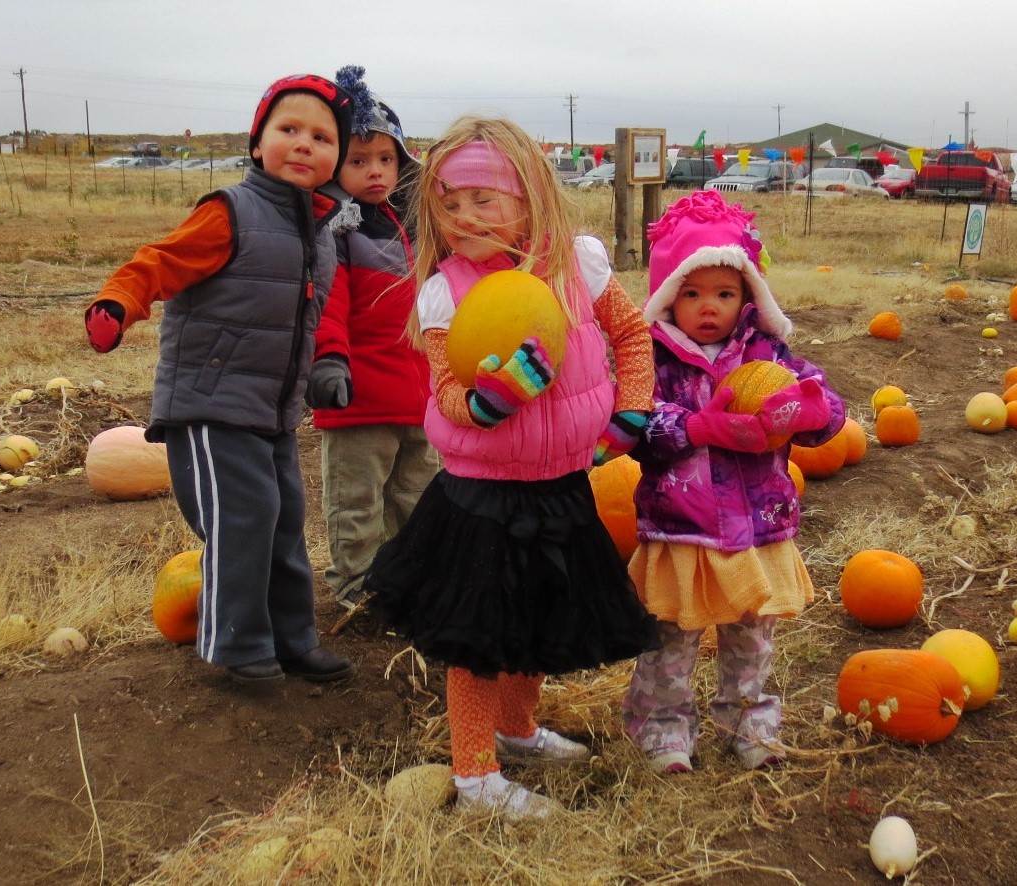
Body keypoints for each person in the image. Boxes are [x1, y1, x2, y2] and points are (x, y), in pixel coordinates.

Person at [364, 116, 660, 821]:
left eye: (481, 200)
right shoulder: (446, 293)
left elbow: (630, 333)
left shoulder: (577, 267)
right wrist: (487, 404)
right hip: (482, 498)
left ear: (528, 197)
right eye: (448, 202)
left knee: (532, 618)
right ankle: (475, 775)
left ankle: (517, 729)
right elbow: (444, 394)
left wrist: (633, 408)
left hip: (560, 483)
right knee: (478, 639)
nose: (462, 217)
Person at [83, 74, 357, 685]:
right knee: (245, 517)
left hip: (274, 409)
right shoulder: (229, 211)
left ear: (337, 155)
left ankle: (293, 638)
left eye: (321, 136)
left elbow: (319, 319)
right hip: (211, 404)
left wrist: (328, 366)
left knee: (285, 517)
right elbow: (157, 261)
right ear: (258, 143)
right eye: (289, 129)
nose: (304, 144)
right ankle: (236, 643)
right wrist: (117, 304)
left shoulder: (322, 237)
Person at [621, 189, 845, 773]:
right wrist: (699, 426)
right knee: (671, 638)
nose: (708, 307)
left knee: (752, 638)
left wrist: (810, 412)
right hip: (682, 528)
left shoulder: (768, 353)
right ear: (668, 296)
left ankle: (752, 720)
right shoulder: (655, 360)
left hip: (757, 527)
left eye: (724, 292)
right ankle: (663, 727)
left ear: (748, 294)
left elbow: (825, 408)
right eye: (691, 293)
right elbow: (634, 426)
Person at [305, 65, 438, 610]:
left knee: (419, 496)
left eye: (387, 159)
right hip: (358, 397)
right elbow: (326, 307)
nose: (376, 172)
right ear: (336, 165)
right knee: (357, 503)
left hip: (420, 395)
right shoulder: (336, 231)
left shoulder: (420, 226)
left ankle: (411, 582)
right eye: (359, 162)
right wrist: (329, 363)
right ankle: (357, 590)